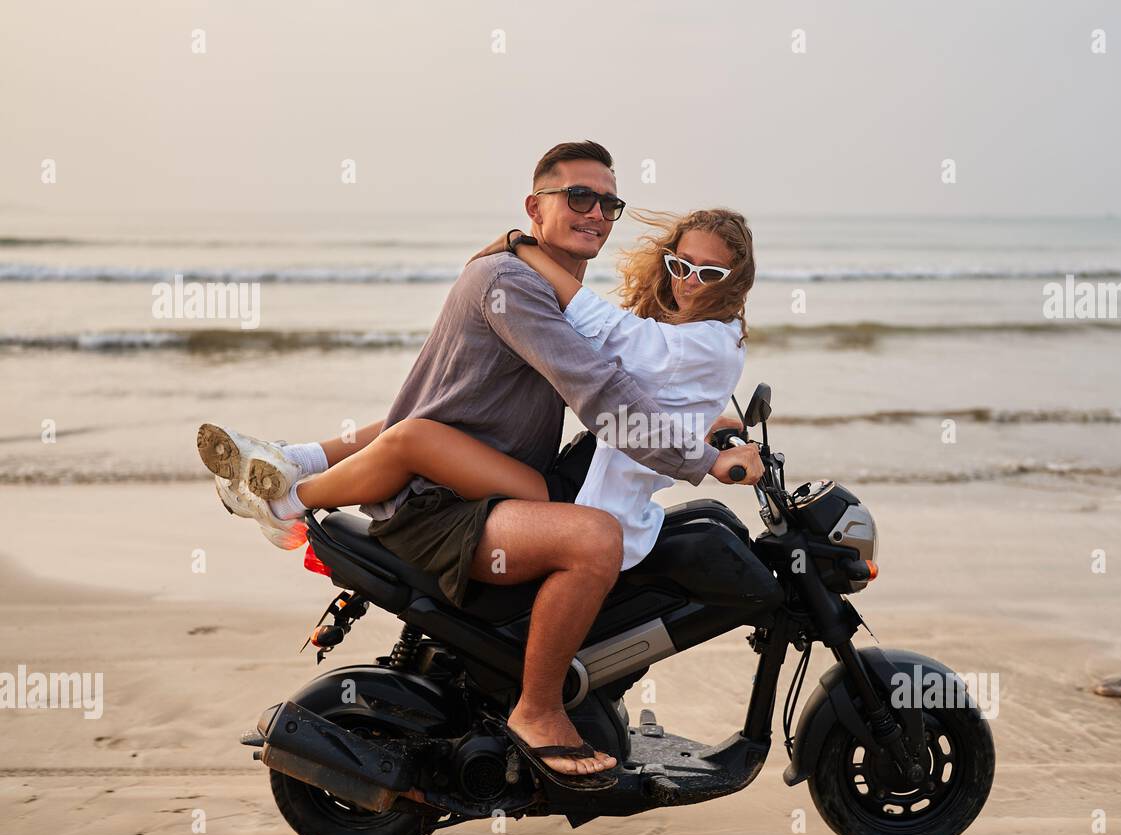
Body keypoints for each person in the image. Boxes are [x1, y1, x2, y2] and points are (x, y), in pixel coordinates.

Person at [197, 140, 763, 787]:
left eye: (609, 202)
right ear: (536, 206)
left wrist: (711, 421)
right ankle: (538, 708)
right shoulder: (514, 283)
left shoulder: (539, 281)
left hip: (482, 480)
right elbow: (606, 396)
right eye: (579, 197)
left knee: (431, 438)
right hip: (445, 508)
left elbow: (623, 372)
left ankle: (292, 465)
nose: (596, 213)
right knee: (594, 537)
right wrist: (704, 461)